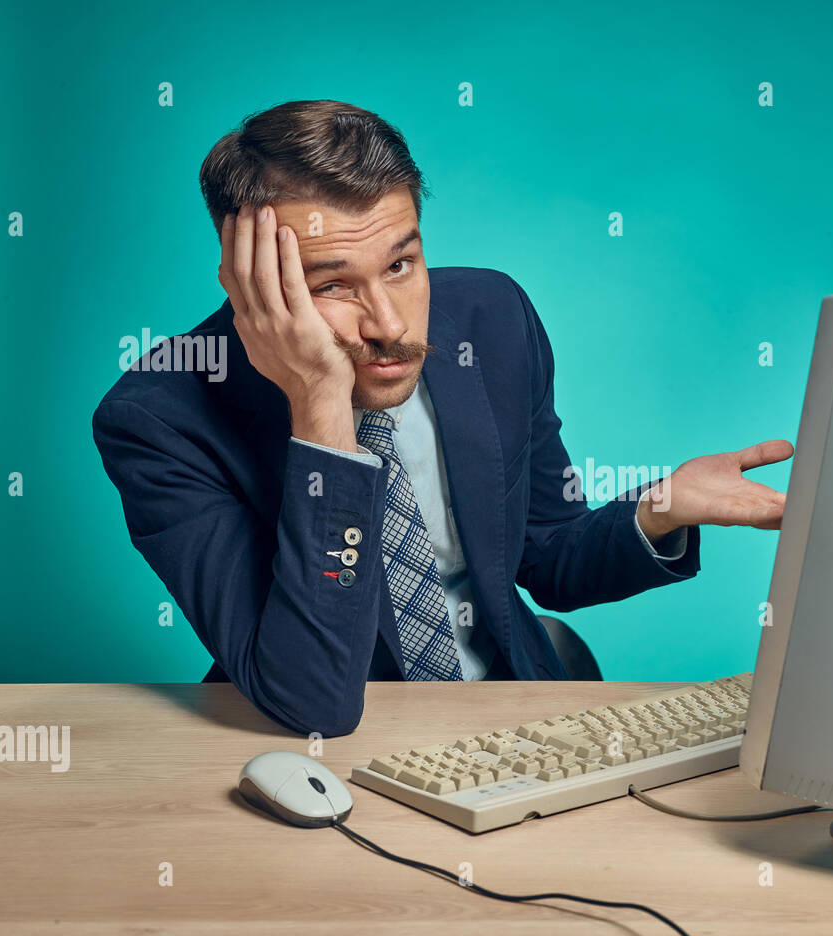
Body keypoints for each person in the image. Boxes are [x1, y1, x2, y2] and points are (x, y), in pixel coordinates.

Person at [93, 100, 792, 736]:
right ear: (248, 283)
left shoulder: (490, 321)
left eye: (401, 263)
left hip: (512, 727)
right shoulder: (158, 419)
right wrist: (321, 406)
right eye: (332, 284)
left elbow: (547, 558)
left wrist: (660, 510)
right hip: (314, 752)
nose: (390, 325)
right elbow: (310, 699)